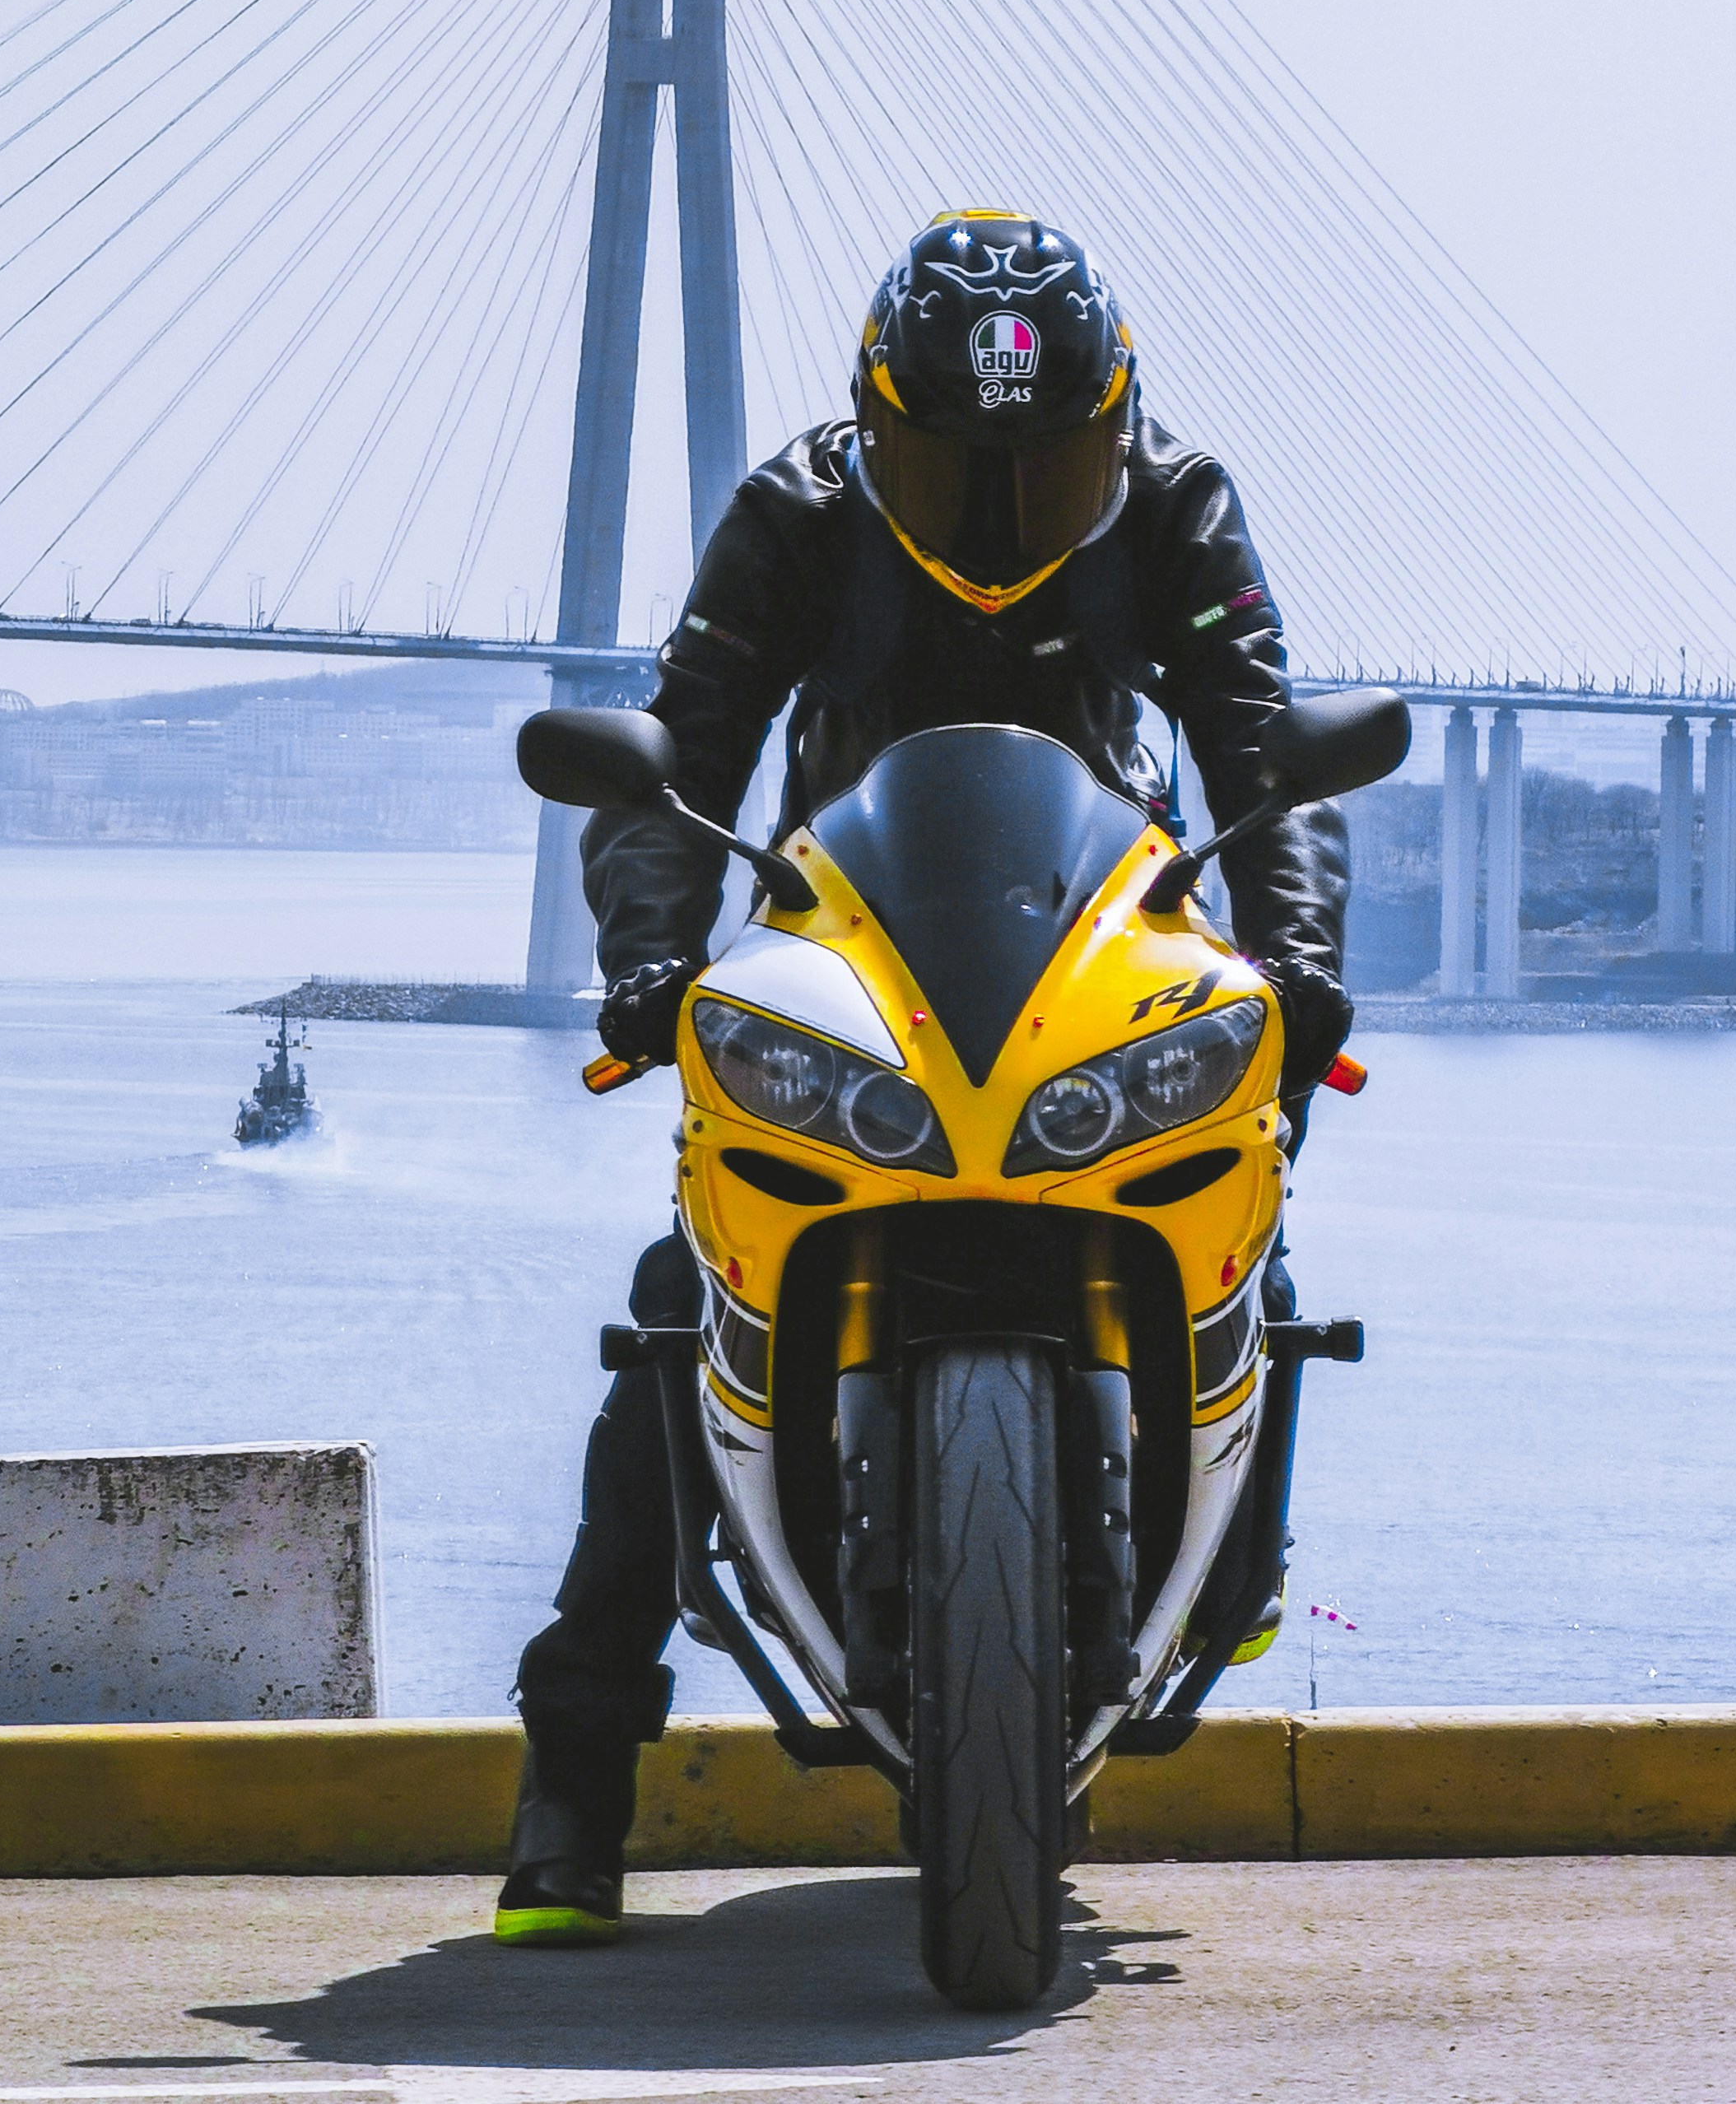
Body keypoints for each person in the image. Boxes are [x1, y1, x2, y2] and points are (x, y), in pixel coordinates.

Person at [496, 210, 1352, 1943]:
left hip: (1106, 945)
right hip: (846, 951)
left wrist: (1305, 961)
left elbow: (1267, 744)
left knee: (1244, 1232)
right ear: (881, 420)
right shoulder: (797, 511)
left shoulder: (1176, 504)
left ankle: (1231, 1566)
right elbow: (687, 736)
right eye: (953, 466)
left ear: (1110, 421)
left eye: (1038, 471)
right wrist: (650, 960)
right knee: (686, 1311)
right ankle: (568, 1802)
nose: (994, 508)